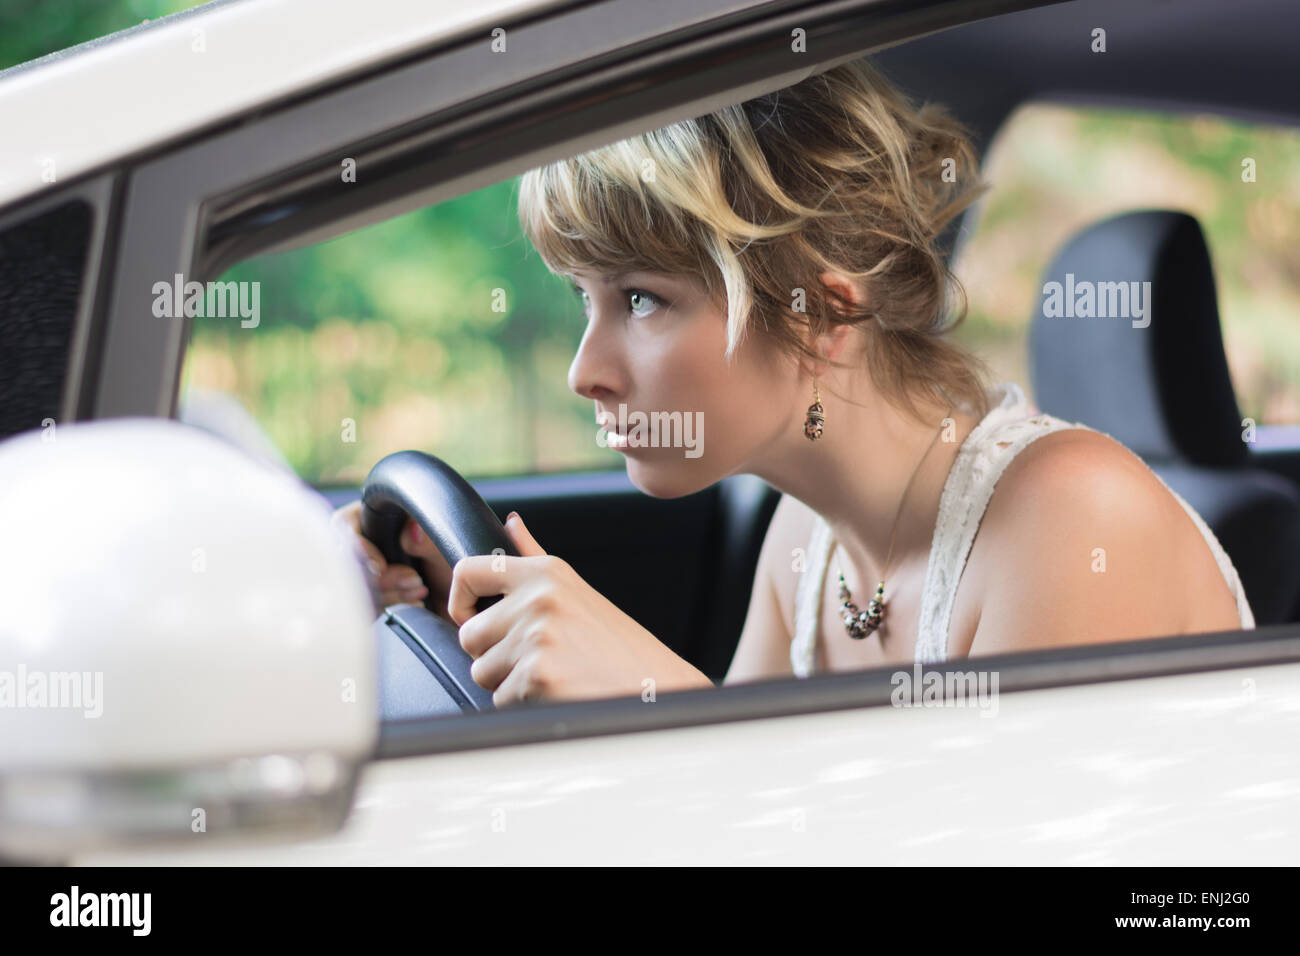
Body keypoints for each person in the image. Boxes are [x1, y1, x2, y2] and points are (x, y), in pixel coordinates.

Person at [334, 59, 1253, 705]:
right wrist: (465, 634)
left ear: (818, 314)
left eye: (643, 300)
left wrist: (656, 695)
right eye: (586, 299)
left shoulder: (1072, 522)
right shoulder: (806, 540)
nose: (586, 373)